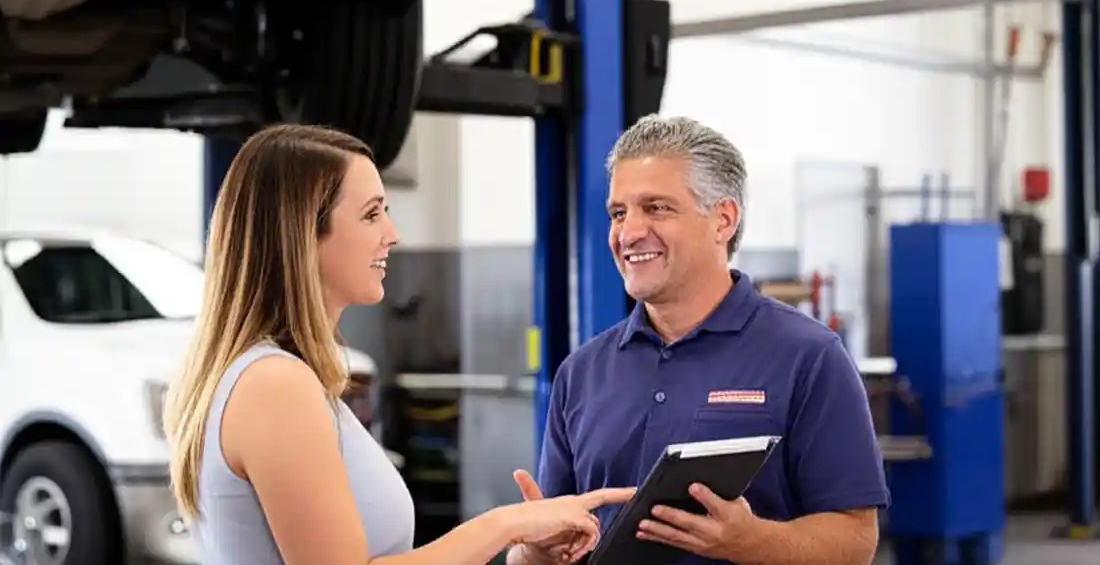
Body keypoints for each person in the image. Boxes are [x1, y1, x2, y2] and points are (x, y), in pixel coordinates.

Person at [162, 124, 633, 565]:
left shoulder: (276, 377)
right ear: (302, 233)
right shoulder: (274, 384)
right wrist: (508, 524)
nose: (392, 234)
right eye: (371, 214)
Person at [507, 115, 888, 565]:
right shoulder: (582, 373)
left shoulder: (808, 357)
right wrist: (533, 552)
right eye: (618, 213)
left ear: (723, 220)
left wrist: (752, 542)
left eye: (656, 208)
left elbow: (855, 539)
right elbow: (545, 547)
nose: (628, 233)